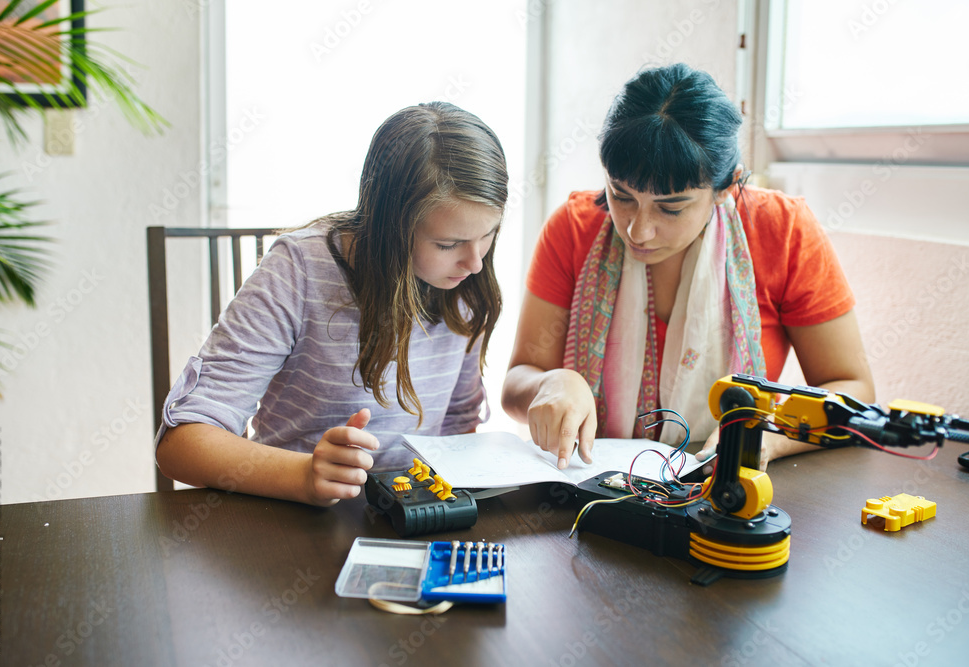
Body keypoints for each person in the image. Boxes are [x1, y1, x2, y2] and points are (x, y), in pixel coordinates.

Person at [501, 63, 873, 471]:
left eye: (671, 207)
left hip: (732, 487)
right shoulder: (573, 229)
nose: (637, 230)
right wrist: (550, 382)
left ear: (725, 188)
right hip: (592, 487)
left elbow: (853, 391)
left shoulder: (780, 230)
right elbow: (518, 380)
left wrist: (768, 431)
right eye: (621, 195)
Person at [156, 102, 508, 506]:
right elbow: (180, 443)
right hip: (292, 521)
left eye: (489, 234)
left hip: (410, 517)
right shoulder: (299, 270)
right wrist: (304, 475)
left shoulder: (465, 284)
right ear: (389, 226)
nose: (476, 261)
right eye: (447, 244)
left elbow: (459, 428)